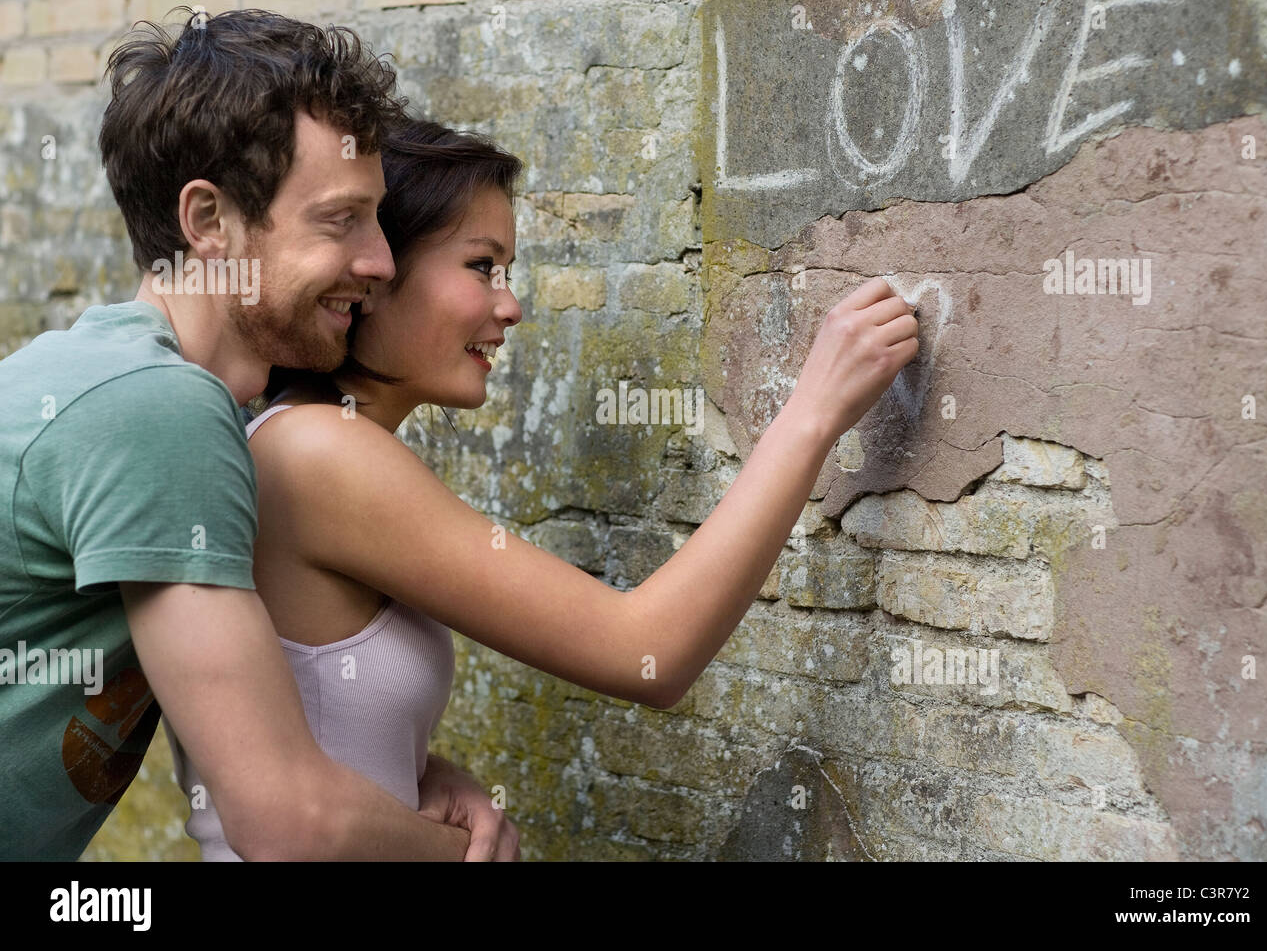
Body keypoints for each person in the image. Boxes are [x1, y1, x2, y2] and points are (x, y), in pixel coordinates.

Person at [164, 113, 920, 858]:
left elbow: (317, 712)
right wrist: (813, 412)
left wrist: (422, 773)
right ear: (378, 270)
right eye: (480, 266)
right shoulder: (316, 453)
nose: (509, 305)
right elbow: (648, 655)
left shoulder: (311, 441)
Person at [0, 10, 507, 861]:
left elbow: (238, 710)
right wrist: (458, 852)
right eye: (341, 220)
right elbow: (284, 820)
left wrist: (414, 773)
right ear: (208, 222)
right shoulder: (157, 411)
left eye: (379, 220)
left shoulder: (163, 394)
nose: (382, 261)